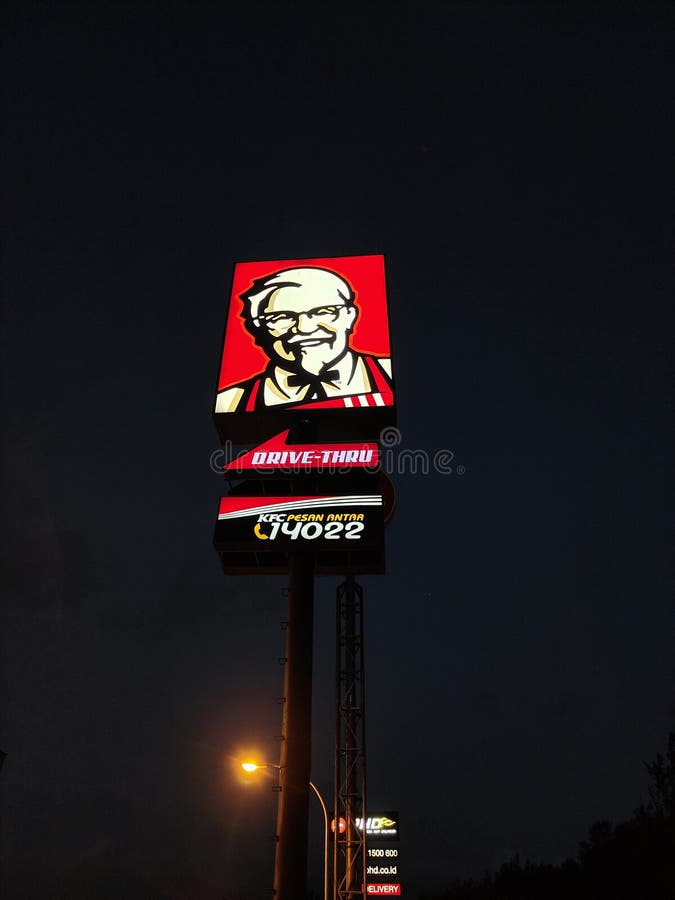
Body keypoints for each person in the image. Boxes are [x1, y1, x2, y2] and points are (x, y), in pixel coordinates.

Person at [215, 266, 393, 413]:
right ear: (257, 329)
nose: (304, 327)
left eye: (323, 312)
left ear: (349, 316)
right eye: (281, 317)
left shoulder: (389, 374)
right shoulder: (231, 402)